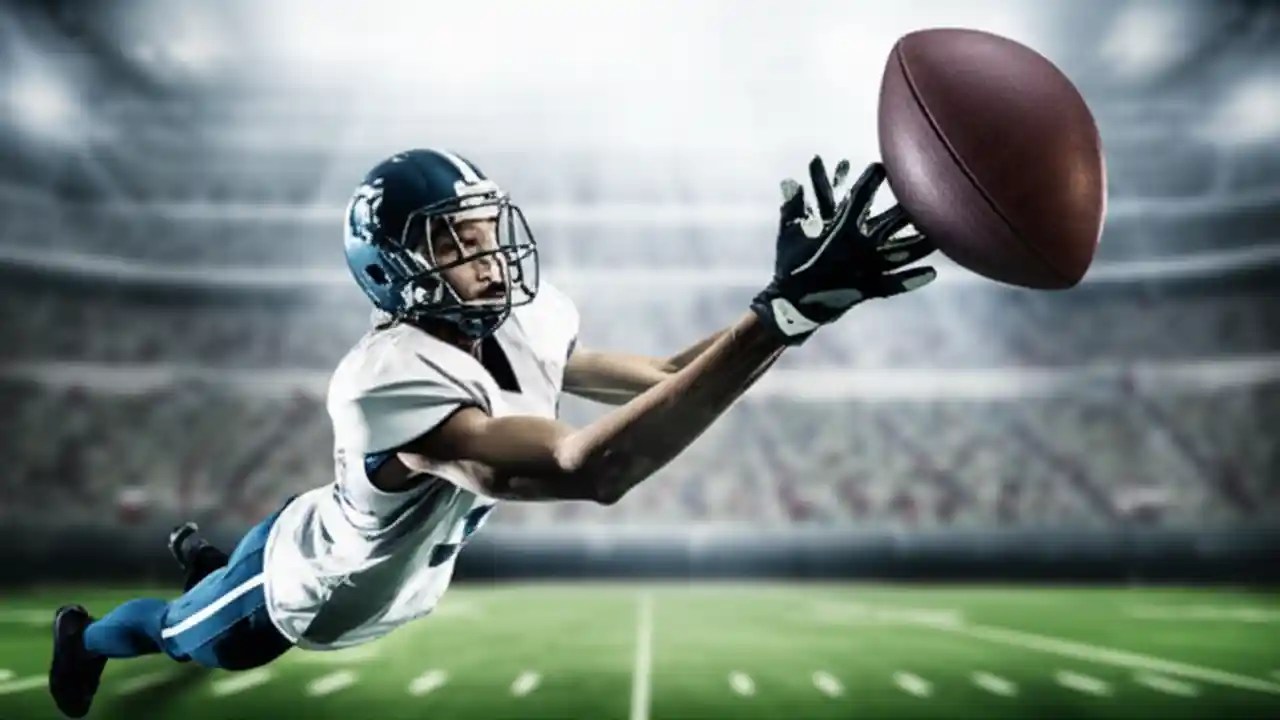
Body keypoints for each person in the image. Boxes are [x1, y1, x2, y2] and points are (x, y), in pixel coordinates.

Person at [48, 148, 936, 718]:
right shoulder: (384, 382)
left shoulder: (526, 318)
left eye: (485, 234)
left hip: (338, 530)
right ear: (391, 269)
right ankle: (83, 635)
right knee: (182, 634)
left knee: (267, 545)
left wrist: (798, 309)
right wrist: (776, 319)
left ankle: (216, 560)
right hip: (307, 591)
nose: (488, 259)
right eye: (455, 245)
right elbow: (589, 465)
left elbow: (672, 382)